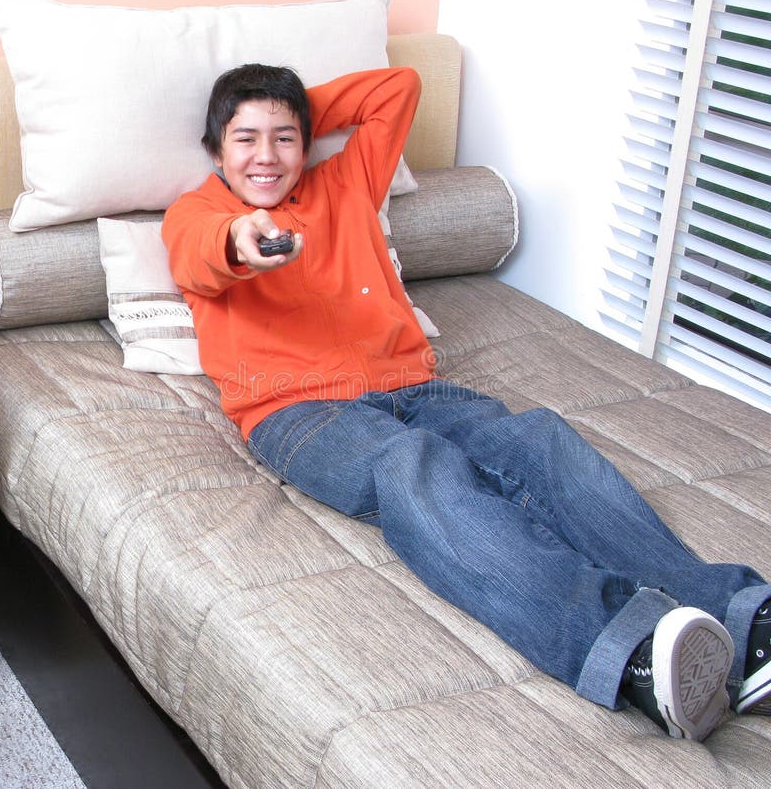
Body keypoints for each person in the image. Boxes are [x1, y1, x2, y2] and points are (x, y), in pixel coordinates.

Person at [162, 62, 771, 742]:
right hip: (297, 412)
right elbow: (201, 253)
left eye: (284, 139)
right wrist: (243, 234)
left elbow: (396, 87)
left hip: (415, 385)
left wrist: (287, 113)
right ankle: (632, 654)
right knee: (414, 465)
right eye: (244, 140)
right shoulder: (199, 215)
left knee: (538, 439)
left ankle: (743, 624)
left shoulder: (346, 182)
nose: (266, 157)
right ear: (214, 149)